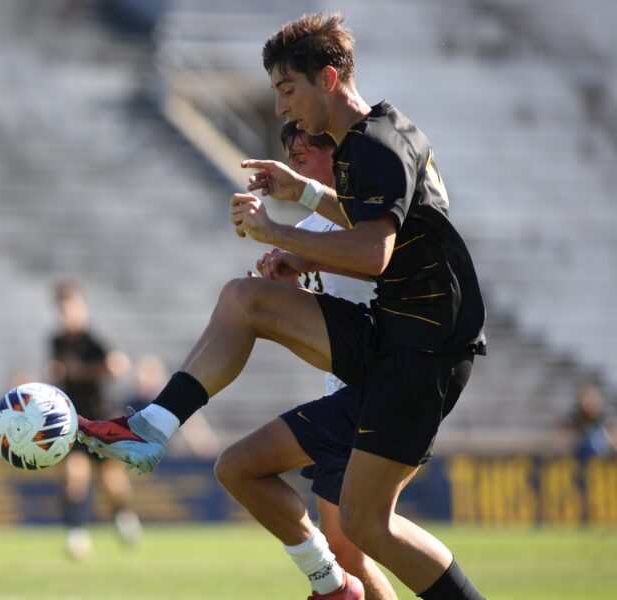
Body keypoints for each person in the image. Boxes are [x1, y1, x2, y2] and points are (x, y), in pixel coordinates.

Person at [79, 12, 486, 600]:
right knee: (245, 301)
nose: (279, 108)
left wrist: (277, 232)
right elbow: (386, 221)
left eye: (286, 89)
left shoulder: (372, 146)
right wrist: (305, 200)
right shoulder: (378, 135)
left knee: (366, 526)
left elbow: (374, 252)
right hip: (395, 334)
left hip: (423, 349)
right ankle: (151, 426)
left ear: (327, 78)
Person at [216, 121, 398, 600]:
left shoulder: (369, 217)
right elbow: (331, 303)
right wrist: (288, 288)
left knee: (361, 539)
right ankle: (337, 585)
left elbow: (375, 265)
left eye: (305, 153)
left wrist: (300, 255)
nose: (295, 161)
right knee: (348, 548)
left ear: (335, 156)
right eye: (291, 154)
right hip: (341, 390)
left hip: (377, 386)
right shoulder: (308, 230)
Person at [48, 280, 138, 559]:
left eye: (70, 305)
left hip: (99, 419)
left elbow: (118, 365)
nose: (66, 312)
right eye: (62, 307)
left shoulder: (93, 339)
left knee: (112, 482)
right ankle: (77, 532)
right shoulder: (56, 340)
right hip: (72, 421)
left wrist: (83, 370)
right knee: (75, 476)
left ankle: (124, 517)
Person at [564, 379, 617, 461]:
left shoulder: (606, 420)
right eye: (585, 398)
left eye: (591, 398)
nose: (588, 402)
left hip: (601, 467)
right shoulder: (574, 420)